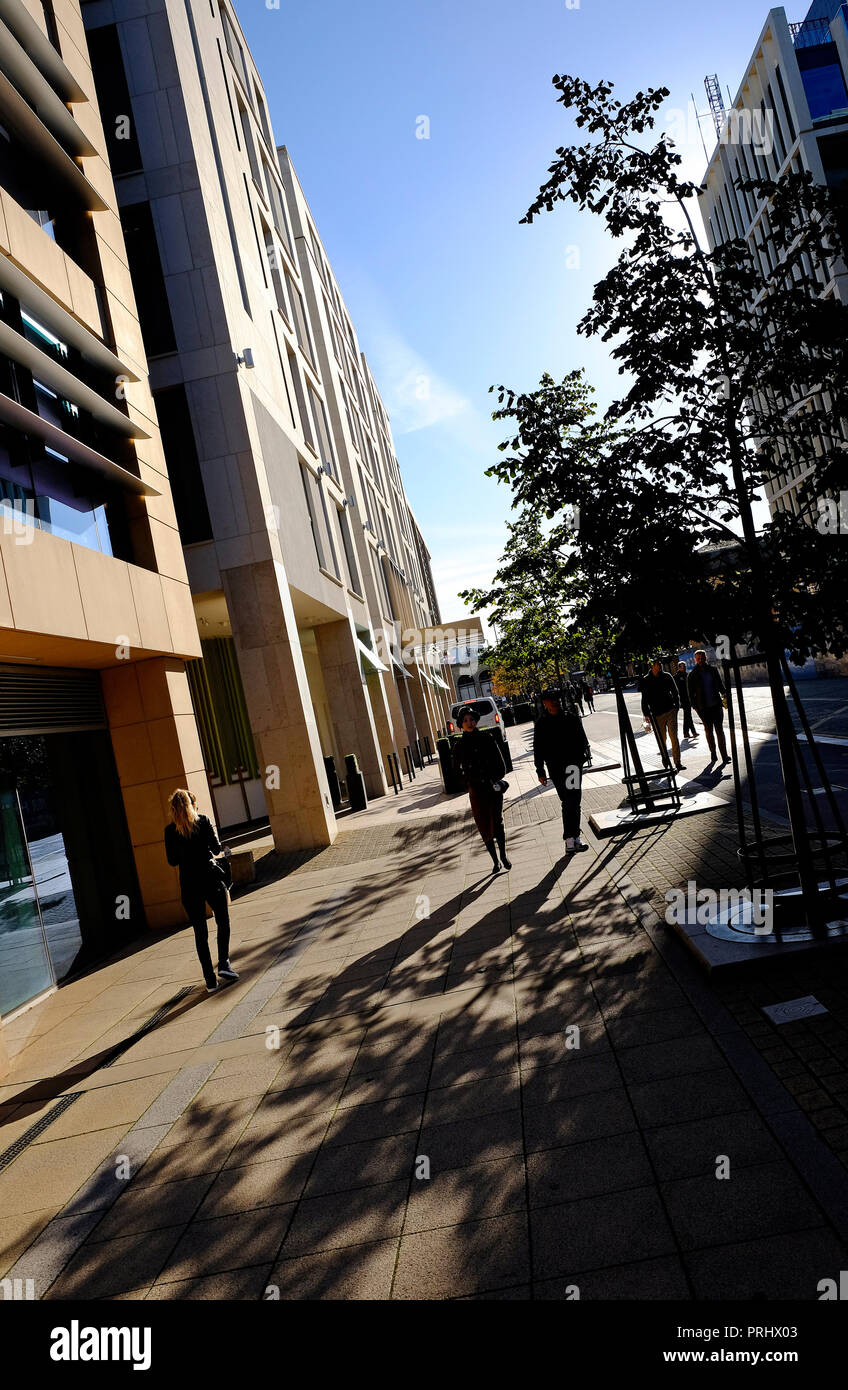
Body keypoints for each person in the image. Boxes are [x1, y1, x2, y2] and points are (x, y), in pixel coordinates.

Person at [164, 789, 239, 993]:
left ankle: (210, 980)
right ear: (192, 804)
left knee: (200, 932)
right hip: (210, 879)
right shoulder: (203, 821)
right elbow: (216, 850)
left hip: (189, 885)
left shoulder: (170, 831)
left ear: (173, 809)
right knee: (222, 920)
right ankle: (223, 963)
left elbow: (172, 861)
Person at [452, 705, 511, 872]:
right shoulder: (459, 745)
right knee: (483, 824)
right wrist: (468, 782)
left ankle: (503, 855)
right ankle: (495, 861)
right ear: (460, 724)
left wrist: (497, 779)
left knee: (497, 821)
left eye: (471, 719)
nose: (469, 723)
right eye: (465, 721)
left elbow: (500, 763)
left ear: (476, 721)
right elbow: (456, 771)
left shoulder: (487, 737)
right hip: (476, 791)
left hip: (492, 787)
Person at [534, 688, 591, 853]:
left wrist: (581, 758)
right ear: (544, 703)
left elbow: (582, 739)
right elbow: (538, 750)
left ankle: (571, 839)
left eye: (556, 698)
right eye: (551, 699)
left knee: (572, 801)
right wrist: (540, 771)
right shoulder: (541, 724)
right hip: (556, 769)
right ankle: (573, 839)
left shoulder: (570, 718)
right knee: (568, 801)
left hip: (573, 766)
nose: (555, 701)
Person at [640, 657, 685, 772]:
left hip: (670, 710)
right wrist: (646, 714)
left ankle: (677, 762)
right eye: (656, 664)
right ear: (651, 666)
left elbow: (675, 691)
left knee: (674, 736)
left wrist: (677, 705)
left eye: (659, 663)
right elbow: (644, 699)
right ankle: (666, 760)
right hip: (656, 714)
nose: (659, 666)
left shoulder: (667, 676)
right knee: (662, 739)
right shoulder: (646, 680)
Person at [687, 649, 729, 762]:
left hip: (716, 705)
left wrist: (725, 695)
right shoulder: (692, 675)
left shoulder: (713, 670)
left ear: (706, 658)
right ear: (695, 660)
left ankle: (724, 755)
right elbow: (690, 694)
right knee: (709, 731)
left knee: (720, 731)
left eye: (702, 658)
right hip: (703, 708)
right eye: (698, 658)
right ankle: (713, 753)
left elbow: (720, 685)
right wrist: (695, 707)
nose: (700, 660)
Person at [675, 661, 697, 740]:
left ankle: (687, 733)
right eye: (682, 666)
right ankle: (691, 732)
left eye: (684, 666)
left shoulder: (687, 675)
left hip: (689, 698)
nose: (683, 668)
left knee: (687, 715)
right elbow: (677, 690)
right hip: (683, 699)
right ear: (678, 667)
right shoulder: (676, 677)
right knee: (688, 715)